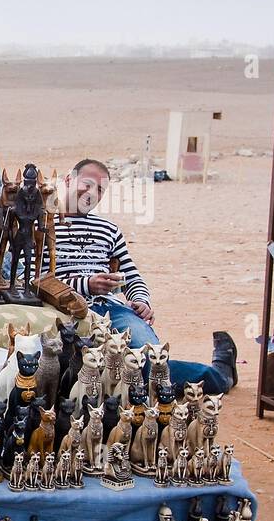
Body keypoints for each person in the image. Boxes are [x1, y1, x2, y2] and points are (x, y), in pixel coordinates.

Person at [45, 158, 236, 394]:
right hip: (64, 310)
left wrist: (141, 300)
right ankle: (209, 374)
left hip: (111, 309)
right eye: (86, 184)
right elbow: (35, 277)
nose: (92, 193)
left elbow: (131, 275)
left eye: (100, 189)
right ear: (68, 180)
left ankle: (219, 375)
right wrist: (86, 285)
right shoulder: (44, 225)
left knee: (149, 364)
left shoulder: (109, 230)